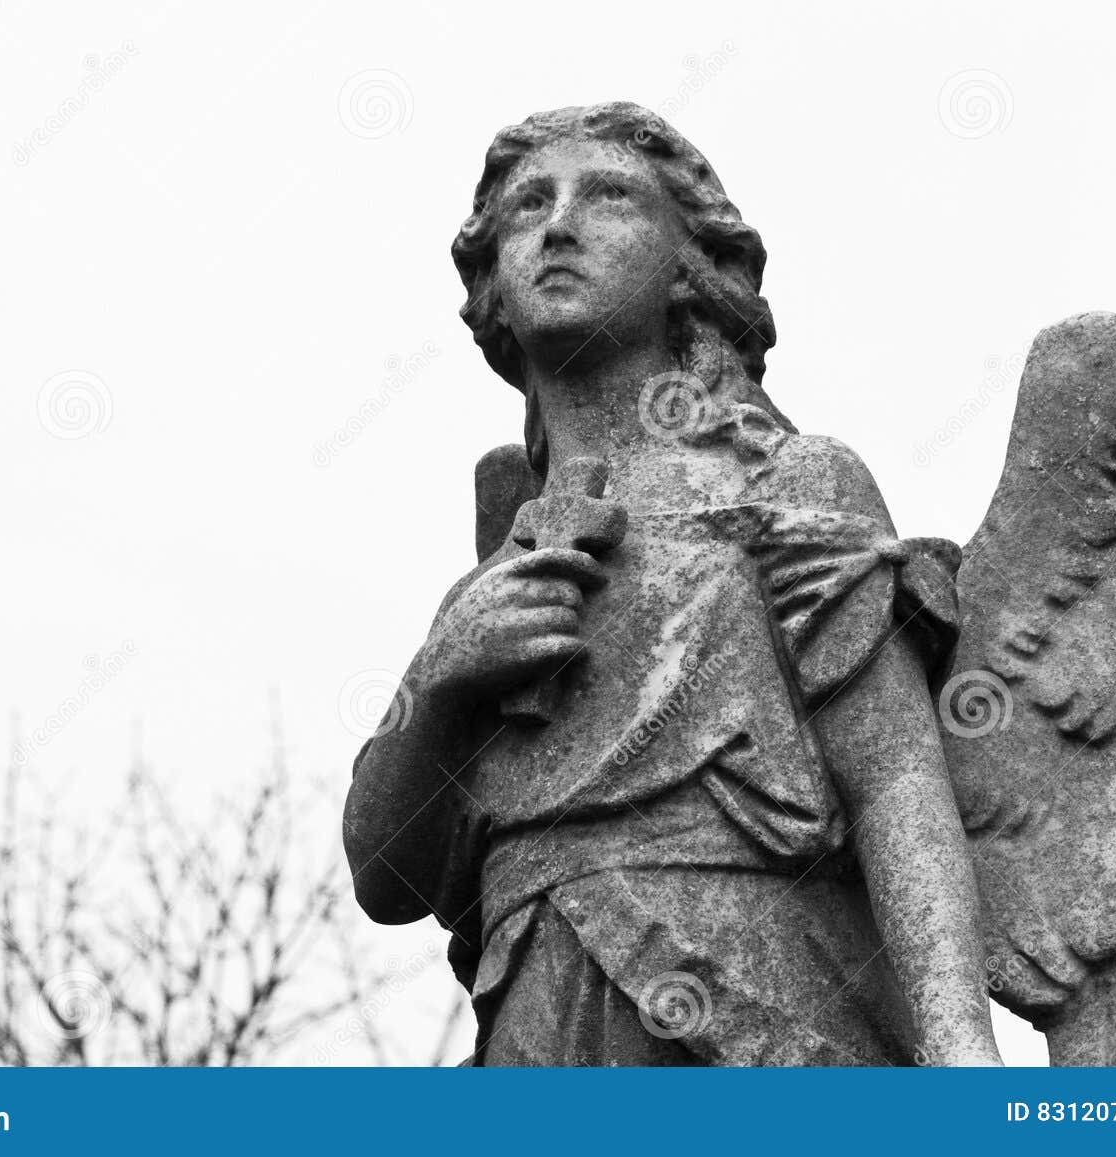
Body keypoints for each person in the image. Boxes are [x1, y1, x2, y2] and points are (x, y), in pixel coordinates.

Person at [342, 103, 1000, 1066]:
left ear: (687, 267)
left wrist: (962, 1055)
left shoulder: (790, 486)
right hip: (540, 1018)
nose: (558, 224)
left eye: (607, 197)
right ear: (493, 288)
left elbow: (895, 781)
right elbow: (385, 876)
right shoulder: (494, 581)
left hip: (769, 998)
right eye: (528, 207)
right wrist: (440, 680)